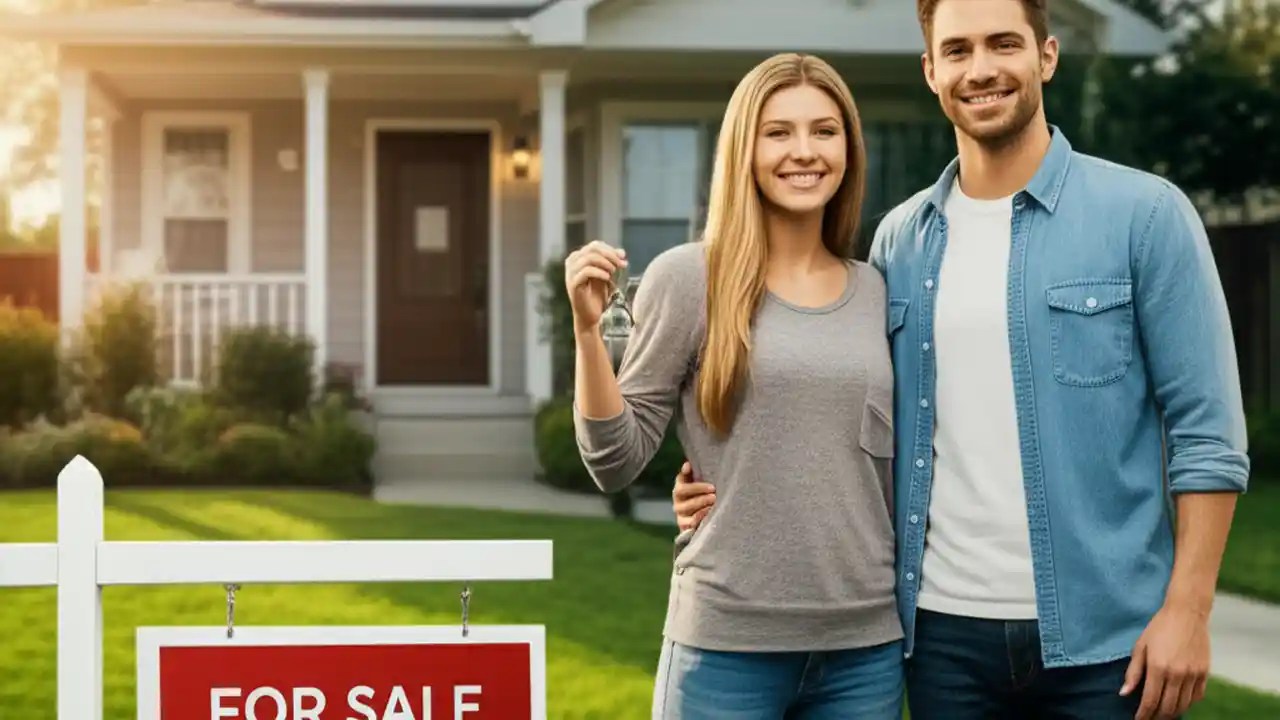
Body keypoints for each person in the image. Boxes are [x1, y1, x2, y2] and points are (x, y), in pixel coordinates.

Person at [672, 1, 1251, 719]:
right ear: (931, 71)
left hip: (1108, 645)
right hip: (940, 642)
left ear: (1045, 55)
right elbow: (846, 415)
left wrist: (1189, 612)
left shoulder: (1145, 215)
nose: (980, 70)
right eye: (958, 50)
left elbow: (1209, 436)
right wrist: (725, 476)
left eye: (1003, 44)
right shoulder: (900, 243)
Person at [567, 53, 905, 718]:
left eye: (824, 131)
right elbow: (614, 460)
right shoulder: (689, 278)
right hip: (724, 649)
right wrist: (585, 334)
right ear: (743, 149)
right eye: (778, 132)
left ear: (849, 149)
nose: (803, 152)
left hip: (864, 653)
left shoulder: (877, 290)